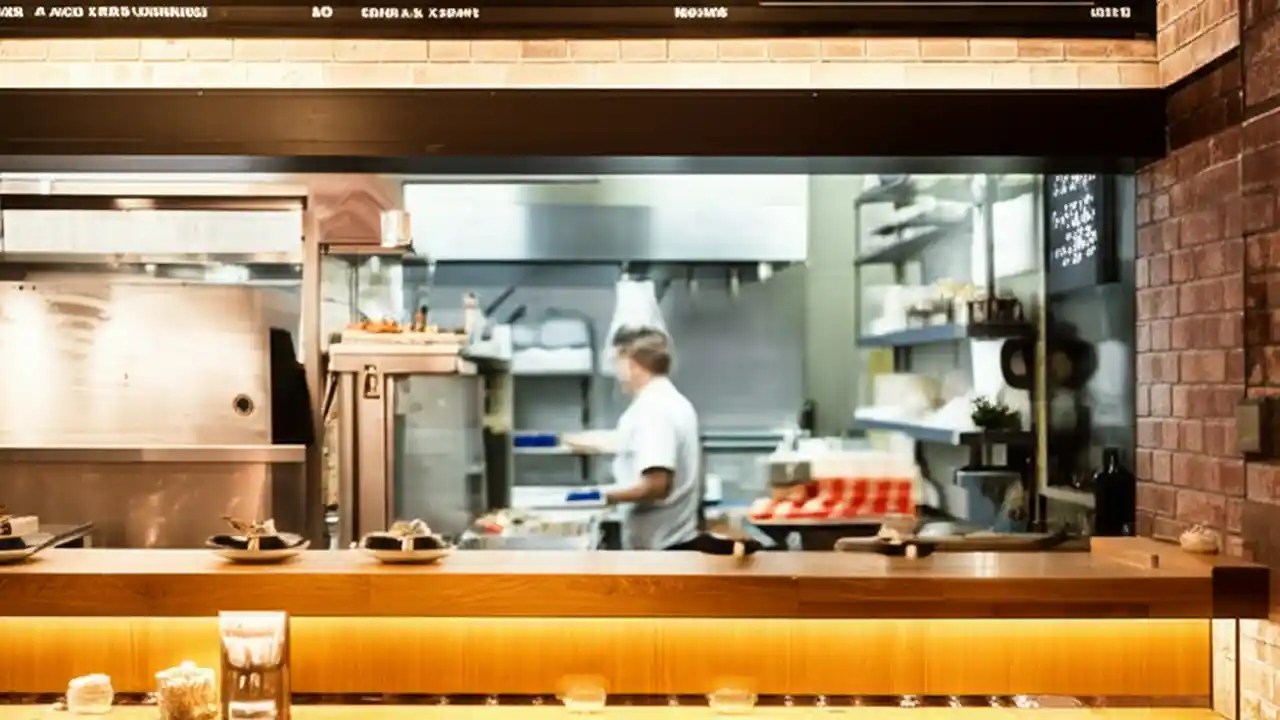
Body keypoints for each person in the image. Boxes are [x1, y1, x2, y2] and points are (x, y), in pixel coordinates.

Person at [602, 326, 702, 550]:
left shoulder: (654, 409)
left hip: (661, 549)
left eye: (617, 362)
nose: (617, 373)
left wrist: (598, 497)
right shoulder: (670, 401)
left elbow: (656, 485)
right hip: (671, 544)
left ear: (631, 362)